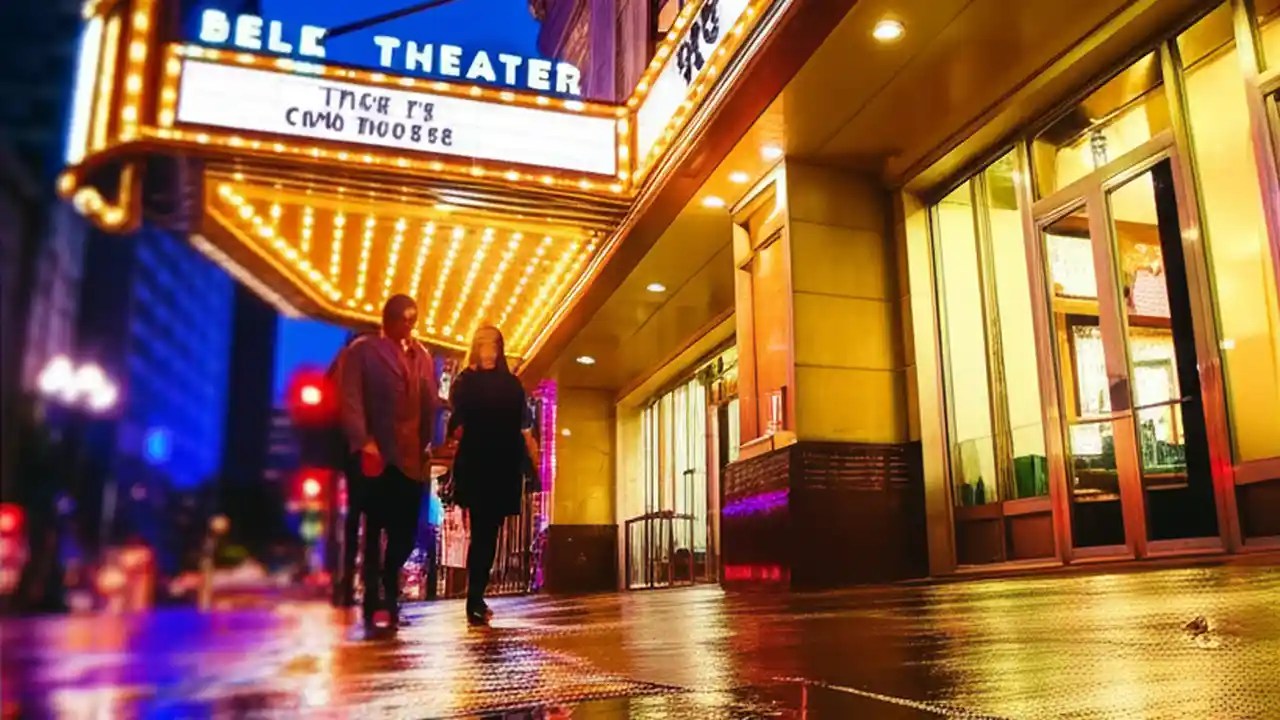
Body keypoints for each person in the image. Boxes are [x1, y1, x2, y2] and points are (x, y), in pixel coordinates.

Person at [339, 295, 438, 635]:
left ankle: (388, 579)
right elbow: (350, 398)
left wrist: (430, 441)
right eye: (403, 319)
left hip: (410, 458)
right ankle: (377, 604)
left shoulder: (423, 357)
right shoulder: (364, 351)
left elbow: (429, 401)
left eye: (413, 319)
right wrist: (363, 440)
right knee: (373, 530)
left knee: (406, 533)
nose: (409, 325)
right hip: (376, 455)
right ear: (389, 320)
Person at [447, 326, 538, 626]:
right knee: (483, 531)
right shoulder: (466, 382)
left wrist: (532, 466)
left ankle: (476, 595)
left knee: (489, 533)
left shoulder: (511, 385)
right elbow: (456, 419)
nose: (488, 351)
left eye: (493, 345)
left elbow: (522, 430)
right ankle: (474, 598)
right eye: (482, 345)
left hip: (501, 465)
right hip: (477, 464)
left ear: (499, 349)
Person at [328, 332, 371, 608]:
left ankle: (349, 583)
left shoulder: (343, 359)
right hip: (362, 446)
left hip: (351, 447)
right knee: (365, 515)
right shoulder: (358, 357)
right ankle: (360, 583)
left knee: (355, 515)